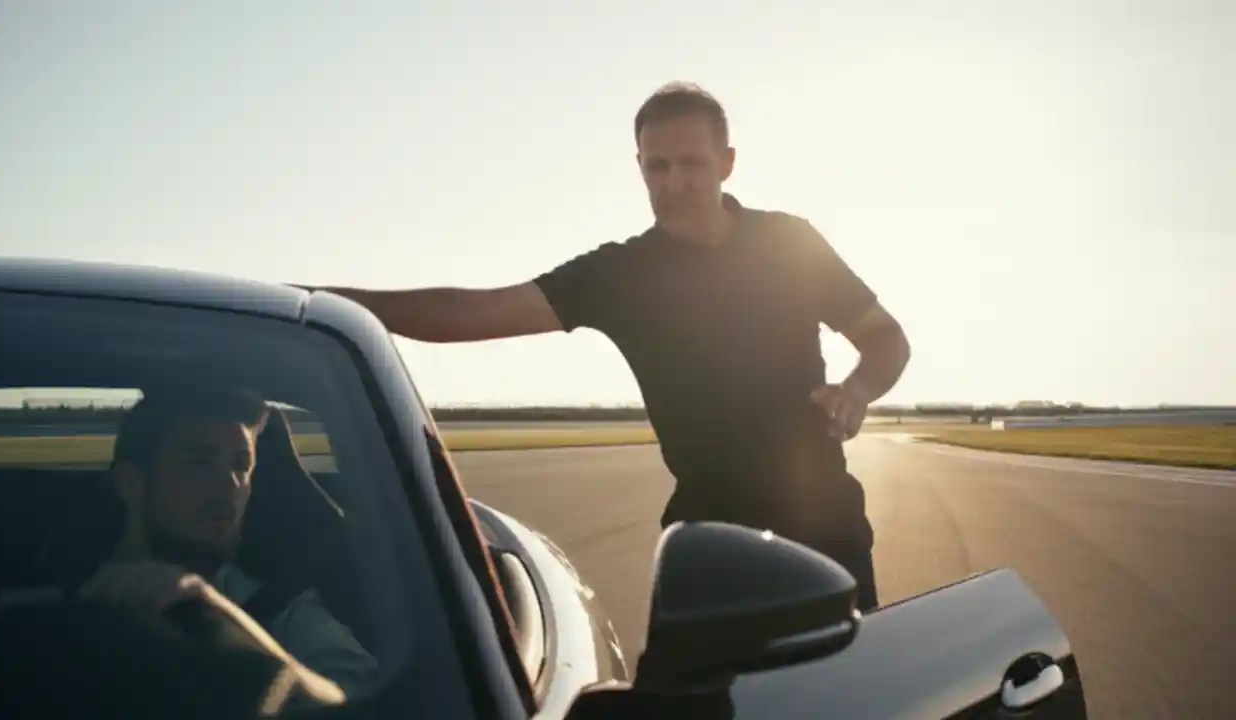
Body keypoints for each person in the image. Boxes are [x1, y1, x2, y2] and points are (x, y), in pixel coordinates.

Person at [311, 82, 910, 610]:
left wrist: (858, 389)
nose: (674, 183)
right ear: (639, 166)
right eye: (657, 167)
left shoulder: (788, 243)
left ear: (728, 162)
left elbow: (886, 339)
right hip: (707, 540)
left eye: (692, 164)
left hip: (822, 524)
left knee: (849, 688)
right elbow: (472, 310)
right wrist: (310, 302)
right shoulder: (620, 276)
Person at [77, 387, 379, 696]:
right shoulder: (66, 597)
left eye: (241, 465)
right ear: (130, 483)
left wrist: (231, 631)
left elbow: (366, 698)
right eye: (199, 462)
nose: (230, 484)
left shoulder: (277, 610)